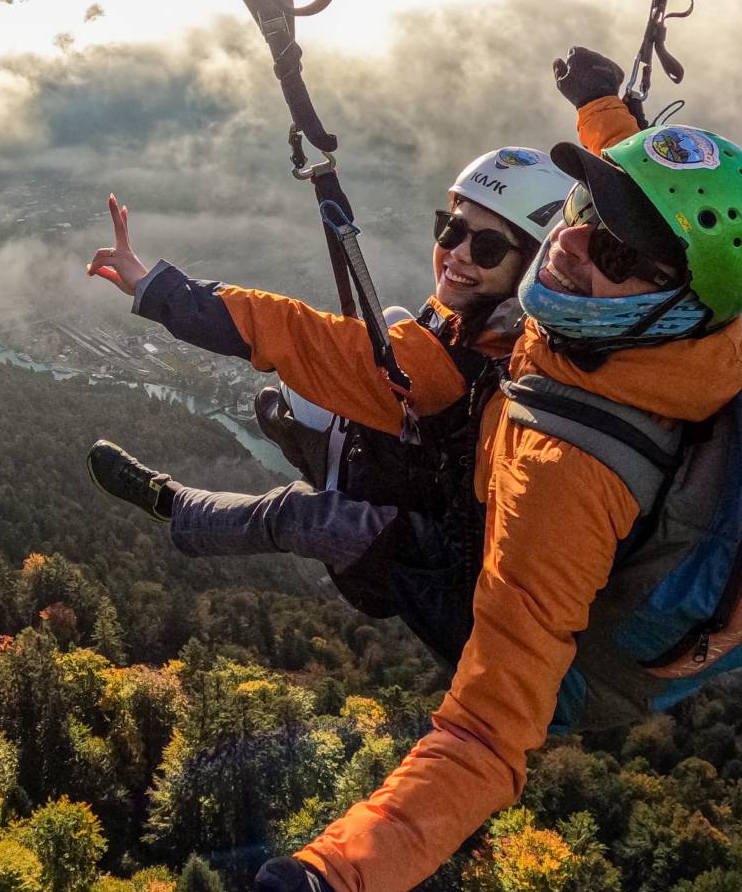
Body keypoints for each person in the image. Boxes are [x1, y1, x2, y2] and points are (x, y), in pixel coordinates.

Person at [206, 49, 742, 892]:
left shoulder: (567, 474)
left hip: (471, 580)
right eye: (584, 211)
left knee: (338, 494)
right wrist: (604, 111)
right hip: (484, 491)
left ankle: (297, 453)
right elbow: (653, 206)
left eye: (610, 250)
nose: (572, 239)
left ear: (664, 300)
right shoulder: (687, 329)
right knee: (378, 380)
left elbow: (487, 736)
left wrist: (339, 877)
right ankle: (304, 447)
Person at [82, 144, 575, 657]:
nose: (458, 255)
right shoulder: (501, 334)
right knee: (391, 323)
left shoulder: (445, 365)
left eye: (489, 248)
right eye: (450, 230)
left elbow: (294, 334)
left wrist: (159, 291)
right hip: (432, 490)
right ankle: (310, 440)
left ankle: (176, 503)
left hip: (423, 570)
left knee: (302, 513)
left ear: (531, 269)